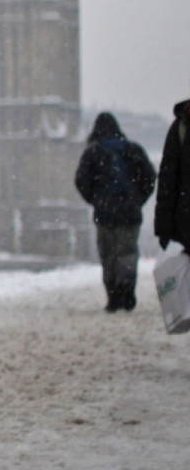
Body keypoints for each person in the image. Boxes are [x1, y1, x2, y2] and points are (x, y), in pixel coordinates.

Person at [75, 112, 157, 311]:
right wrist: (137, 199)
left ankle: (113, 296)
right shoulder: (132, 150)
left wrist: (96, 200)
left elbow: (81, 181)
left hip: (105, 213)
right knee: (127, 252)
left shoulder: (93, 153)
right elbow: (149, 177)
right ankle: (127, 292)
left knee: (108, 254)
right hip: (130, 212)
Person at [159, 99, 190, 252]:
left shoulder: (182, 125)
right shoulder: (181, 126)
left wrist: (164, 230)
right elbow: (167, 182)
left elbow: (167, 183)